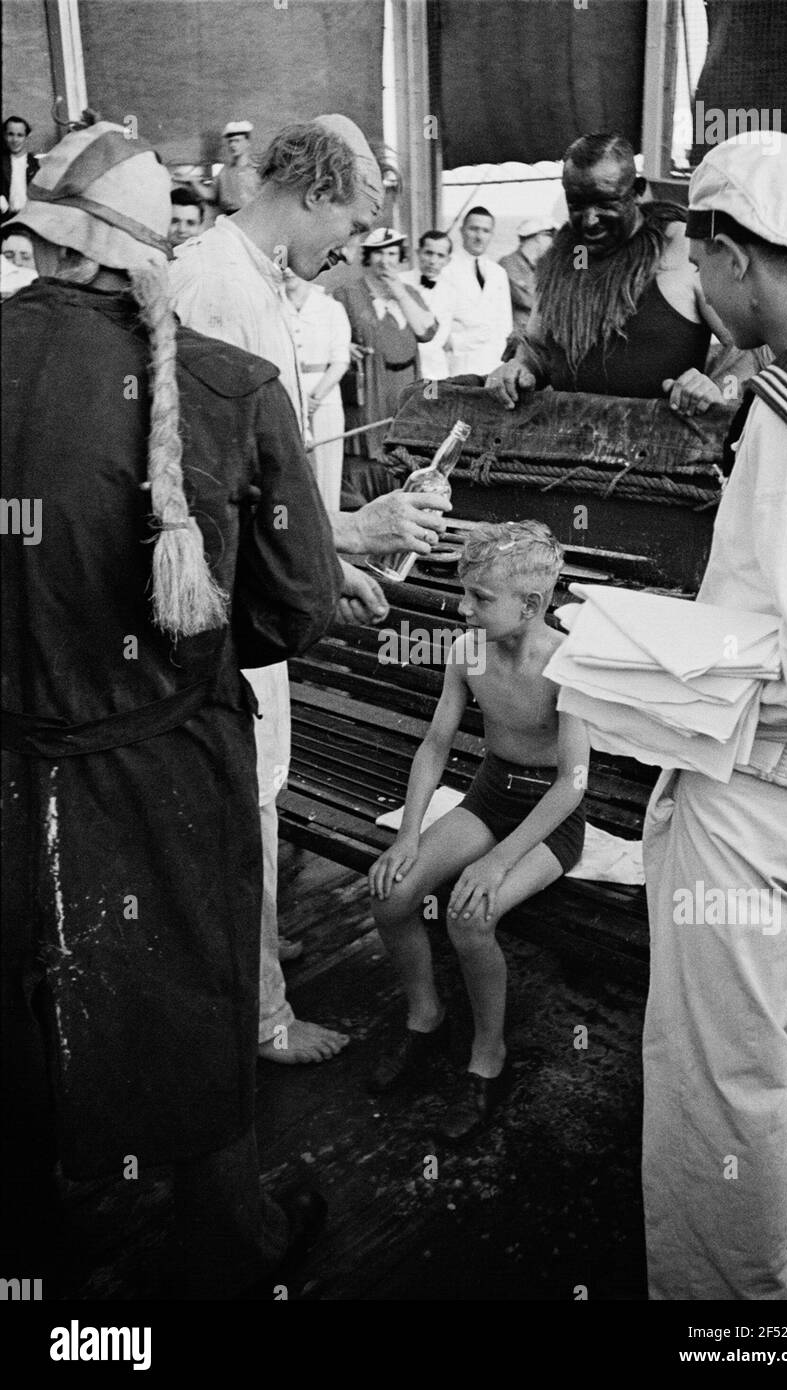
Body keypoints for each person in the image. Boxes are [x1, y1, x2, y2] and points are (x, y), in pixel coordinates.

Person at [1, 121, 345, 1297]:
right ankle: (228, 1240)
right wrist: (176, 664)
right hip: (163, 762)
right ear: (151, 254)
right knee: (191, 995)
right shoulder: (221, 383)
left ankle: (59, 1238)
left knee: (30, 991)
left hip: (12, 769)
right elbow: (298, 611)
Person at [171, 119, 451, 1067]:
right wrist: (345, 541)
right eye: (348, 228)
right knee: (244, 798)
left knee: (262, 788)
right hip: (224, 610)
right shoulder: (217, 284)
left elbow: (273, 477)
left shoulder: (260, 283)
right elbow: (218, 492)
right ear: (320, 192)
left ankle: (250, 954)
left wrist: (334, 567)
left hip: (256, 595)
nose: (343, 254)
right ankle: (262, 1016)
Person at [641, 131, 787, 1300]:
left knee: (715, 1064)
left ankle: (726, 1308)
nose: (697, 295)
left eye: (696, 263)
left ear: (734, 256)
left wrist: (638, 656)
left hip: (759, 778)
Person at [368, 521, 590, 1144]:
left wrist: (496, 863)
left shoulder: (567, 663)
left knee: (470, 915)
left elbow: (572, 782)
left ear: (532, 604)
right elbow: (438, 741)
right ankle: (425, 1017)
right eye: (464, 593)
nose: (464, 607)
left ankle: (486, 1056)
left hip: (551, 816)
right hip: (491, 795)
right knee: (391, 892)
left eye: (480, 598)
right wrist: (410, 832)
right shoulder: (468, 649)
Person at [486, 133, 731, 414]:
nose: (590, 220)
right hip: (566, 443)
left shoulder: (681, 246)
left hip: (665, 447)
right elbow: (539, 349)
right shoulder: (564, 257)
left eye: (605, 203)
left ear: (637, 191)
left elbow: (747, 345)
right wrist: (518, 368)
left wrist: (719, 388)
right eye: (577, 204)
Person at [333, 226, 437, 458]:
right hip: (371, 384)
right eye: (379, 253)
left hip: (406, 381)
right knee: (371, 452)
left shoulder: (410, 292)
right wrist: (344, 347)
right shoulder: (346, 294)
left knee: (405, 446)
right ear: (368, 257)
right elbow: (325, 336)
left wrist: (399, 293)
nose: (386, 261)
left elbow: (427, 333)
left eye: (392, 254)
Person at [282, 264, 352, 512]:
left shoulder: (330, 308)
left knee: (326, 470)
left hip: (325, 396)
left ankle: (329, 539)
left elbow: (340, 360)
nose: (287, 271)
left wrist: (314, 398)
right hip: (285, 392)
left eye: (293, 266)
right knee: (289, 469)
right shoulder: (273, 304)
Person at [440, 207, 512, 377]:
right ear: (462, 231)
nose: (479, 237)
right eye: (473, 229)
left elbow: (505, 325)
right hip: (458, 364)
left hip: (493, 365)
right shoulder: (445, 270)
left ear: (491, 235)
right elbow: (438, 327)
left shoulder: (498, 273)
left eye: (486, 231)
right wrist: (457, 342)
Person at [400, 229, 456, 381]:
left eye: (440, 255)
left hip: (434, 372)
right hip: (403, 368)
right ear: (418, 253)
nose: (433, 261)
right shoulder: (399, 283)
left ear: (448, 260)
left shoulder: (452, 291)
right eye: (428, 253)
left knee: (431, 403)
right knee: (403, 404)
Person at [498, 217, 555, 334]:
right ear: (539, 237)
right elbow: (529, 300)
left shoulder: (541, 267)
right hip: (518, 341)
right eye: (551, 236)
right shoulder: (508, 264)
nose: (553, 243)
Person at [1, 115, 39, 221]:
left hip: (30, 219)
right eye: (10, 134)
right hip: (6, 220)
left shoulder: (36, 165)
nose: (15, 140)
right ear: (4, 136)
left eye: (20, 135)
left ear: (26, 137)